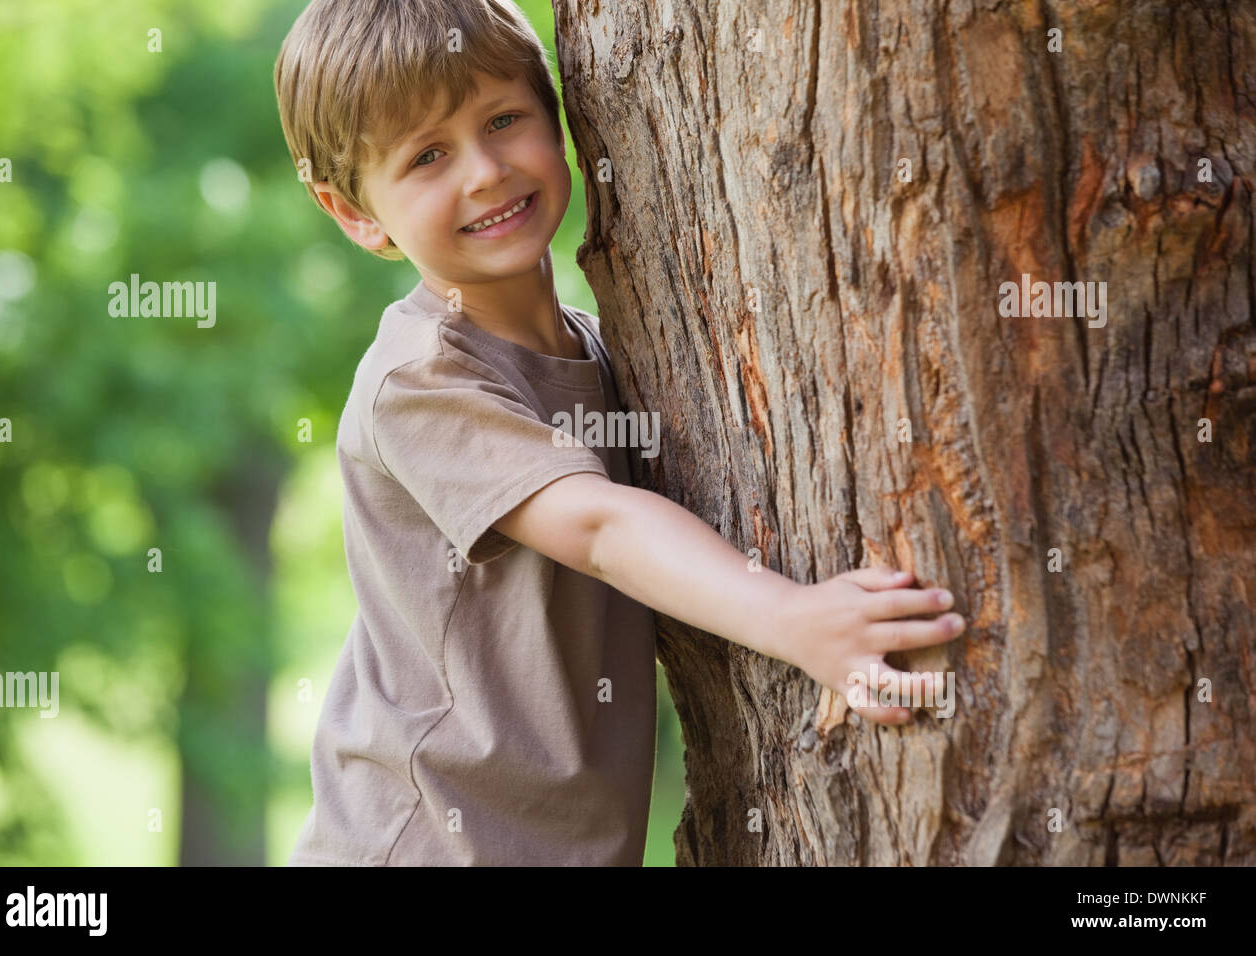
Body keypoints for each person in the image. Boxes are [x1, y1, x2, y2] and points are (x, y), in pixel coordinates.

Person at [273, 0, 965, 866]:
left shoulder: (603, 347)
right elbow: (599, 526)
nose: (485, 171)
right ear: (354, 213)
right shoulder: (420, 380)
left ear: (556, 117)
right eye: (427, 156)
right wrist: (794, 619)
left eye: (503, 119)